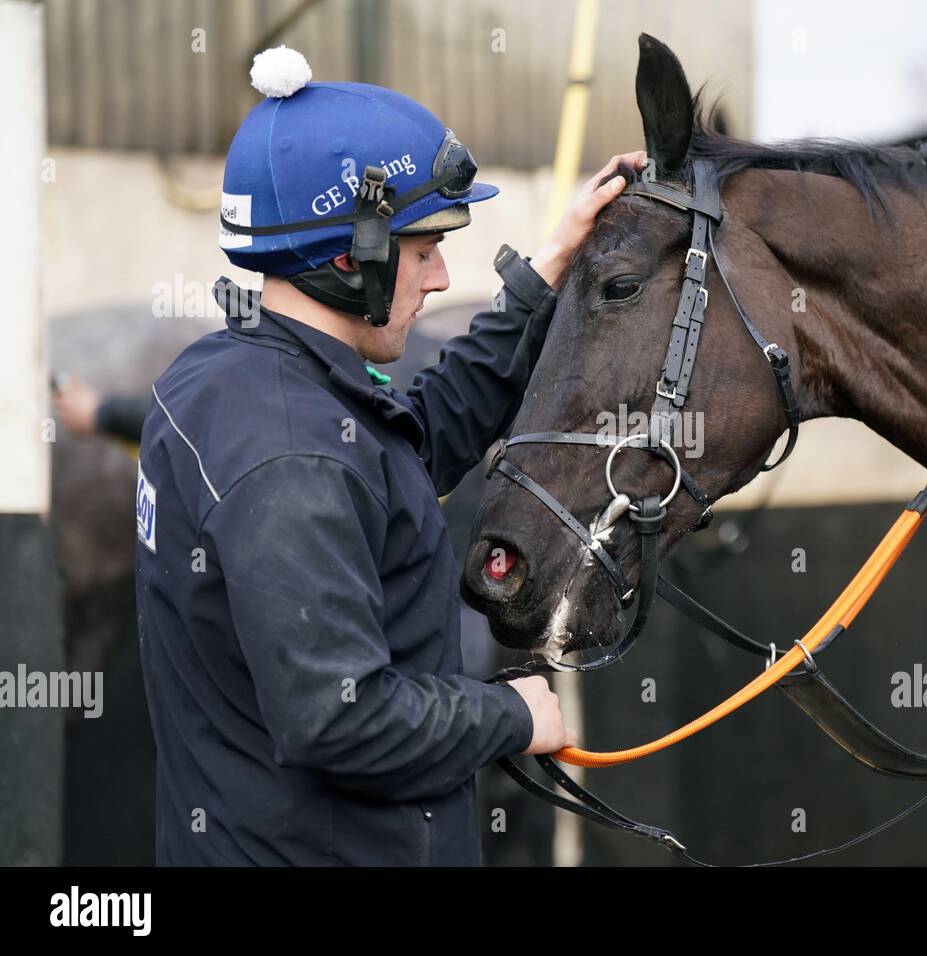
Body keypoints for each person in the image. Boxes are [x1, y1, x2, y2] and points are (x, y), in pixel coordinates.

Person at [135, 46, 645, 865]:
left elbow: (416, 439)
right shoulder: (292, 456)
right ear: (352, 257)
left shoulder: (232, 379)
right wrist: (511, 715)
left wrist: (545, 276)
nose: (442, 277)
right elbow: (340, 717)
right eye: (421, 250)